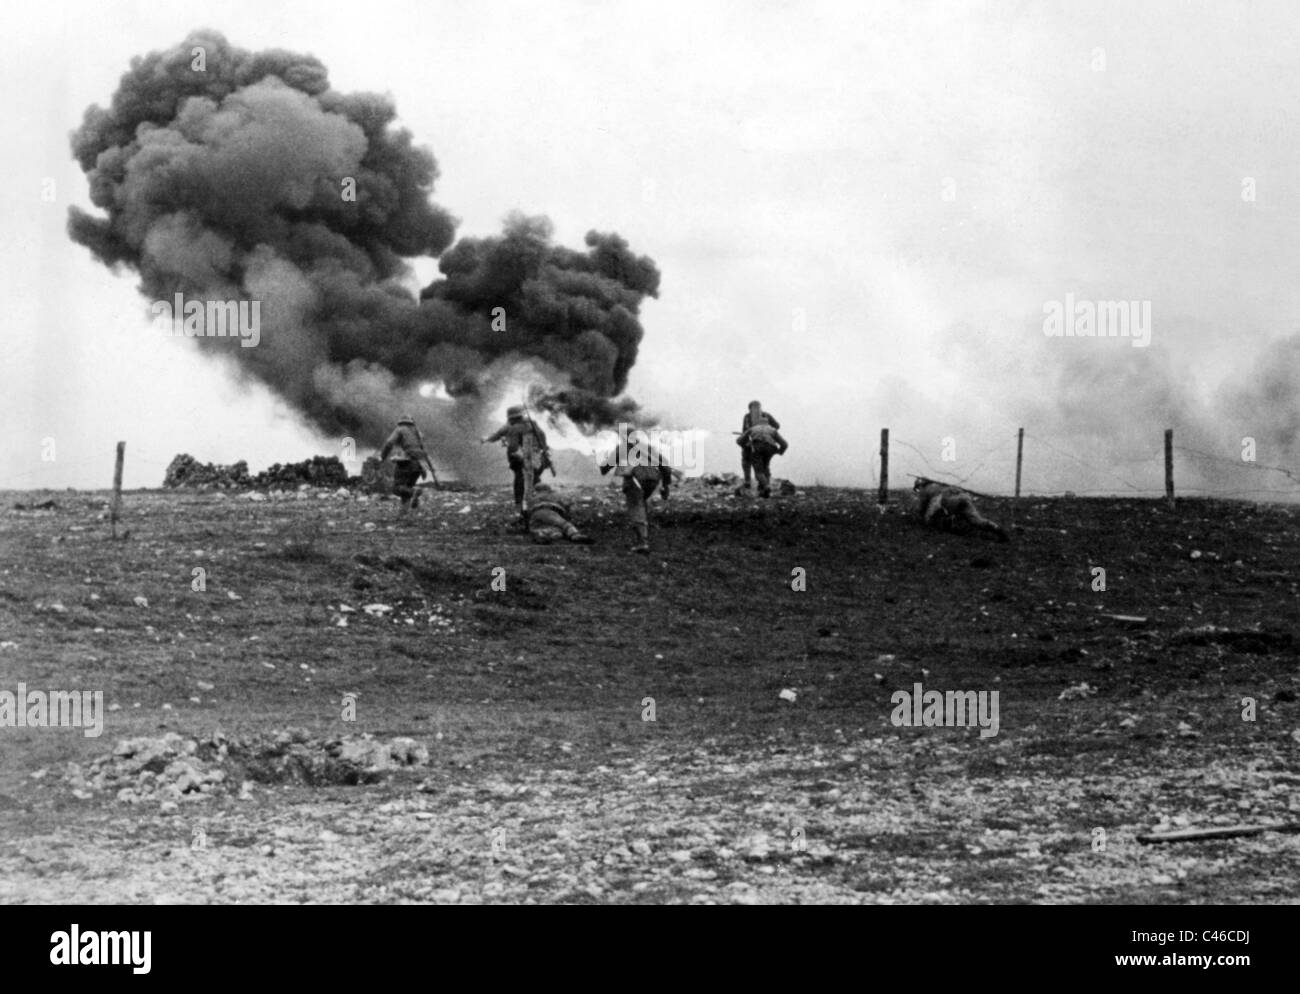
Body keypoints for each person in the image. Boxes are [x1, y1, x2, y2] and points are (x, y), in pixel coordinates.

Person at [599, 429, 671, 554]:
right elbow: (666, 467)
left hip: (634, 481)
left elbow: (604, 469)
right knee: (641, 506)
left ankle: (642, 543)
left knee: (636, 508)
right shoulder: (648, 448)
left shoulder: (622, 448)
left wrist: (604, 460)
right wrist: (665, 486)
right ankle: (643, 535)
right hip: (652, 481)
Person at [481, 405, 552, 513]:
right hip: (539, 459)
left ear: (512, 418)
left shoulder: (514, 428)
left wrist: (505, 443)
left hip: (523, 461)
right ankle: (540, 503)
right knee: (535, 481)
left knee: (520, 483)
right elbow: (544, 442)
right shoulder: (534, 425)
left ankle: (520, 508)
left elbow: (513, 447)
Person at [379, 414, 432, 516]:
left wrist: (382, 456)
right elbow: (422, 446)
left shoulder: (400, 429)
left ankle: (415, 491)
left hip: (407, 463)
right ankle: (403, 513)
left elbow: (389, 443)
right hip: (419, 465)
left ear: (401, 422)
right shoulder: (417, 432)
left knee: (397, 488)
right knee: (406, 488)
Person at [738, 415, 788, 498]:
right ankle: (764, 491)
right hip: (770, 449)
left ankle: (766, 487)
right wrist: (780, 452)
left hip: (757, 449)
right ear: (767, 423)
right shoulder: (773, 430)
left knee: (759, 472)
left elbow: (739, 441)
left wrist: (747, 445)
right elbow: (785, 444)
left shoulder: (753, 428)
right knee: (766, 468)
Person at [526, 485, 594, 544]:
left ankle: (542, 533)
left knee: (547, 529)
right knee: (563, 524)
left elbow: (527, 511)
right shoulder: (553, 495)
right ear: (548, 490)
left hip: (534, 515)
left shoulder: (533, 498)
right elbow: (566, 506)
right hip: (550, 512)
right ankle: (575, 534)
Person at [738, 401, 780, 489]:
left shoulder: (747, 417)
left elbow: (743, 431)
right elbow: (777, 426)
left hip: (751, 443)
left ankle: (748, 482)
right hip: (763, 444)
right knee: (764, 464)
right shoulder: (766, 415)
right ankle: (764, 485)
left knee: (746, 461)